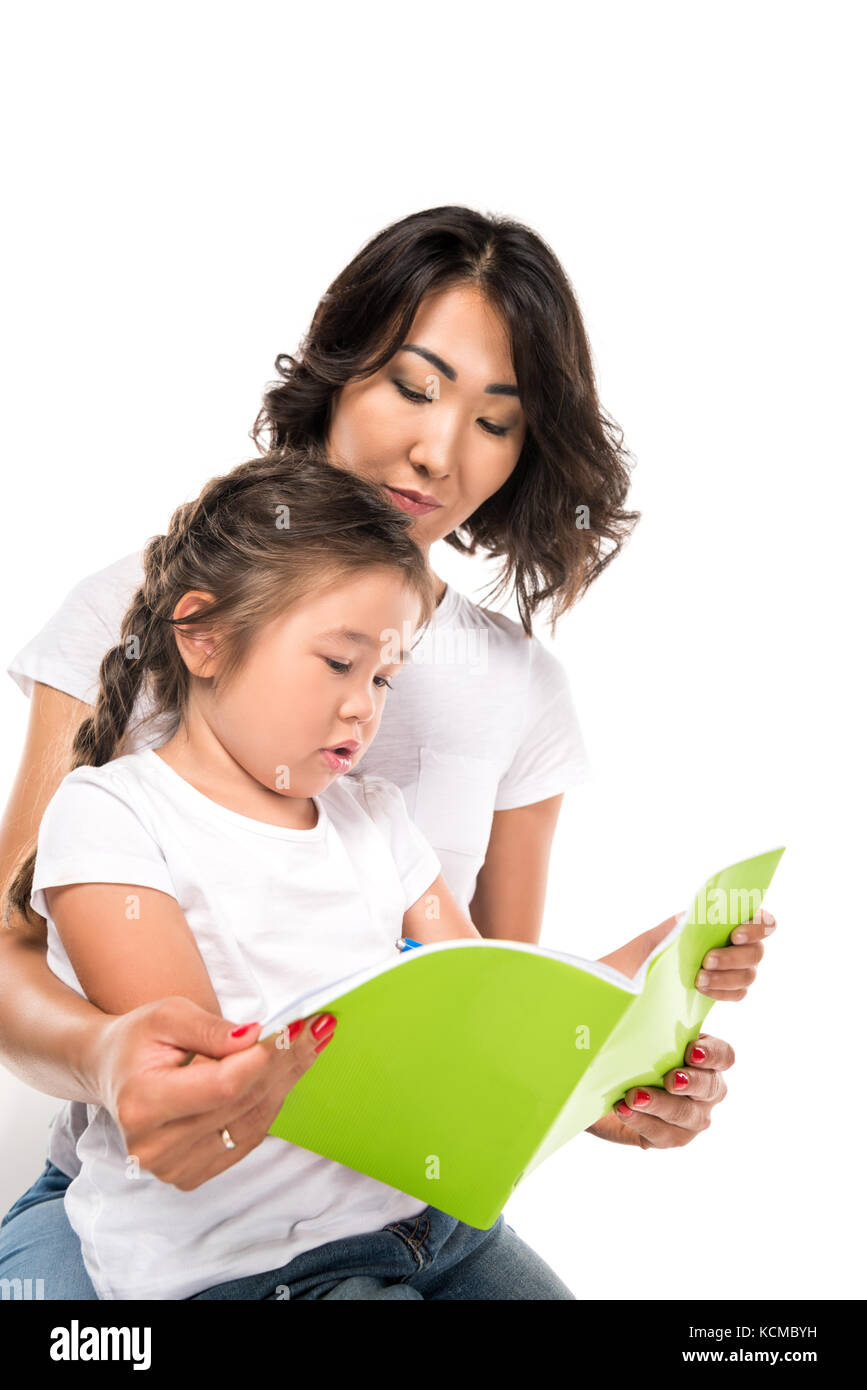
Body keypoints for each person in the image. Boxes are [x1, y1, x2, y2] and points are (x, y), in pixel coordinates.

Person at [0, 206, 774, 1298]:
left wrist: (621, 1057)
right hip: (177, 1217)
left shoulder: (512, 699)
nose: (438, 452)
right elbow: (15, 956)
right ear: (338, 366)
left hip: (401, 1201)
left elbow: (484, 1020)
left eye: (496, 421)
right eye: (413, 387)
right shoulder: (134, 619)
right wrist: (110, 1056)